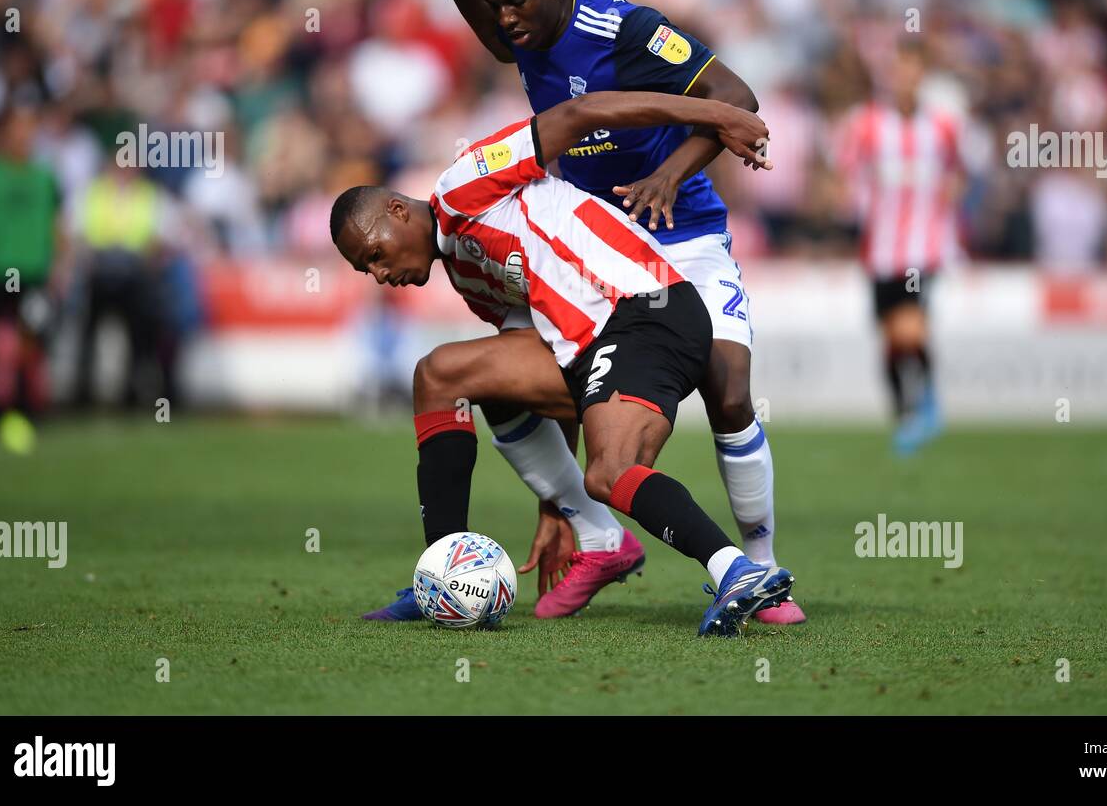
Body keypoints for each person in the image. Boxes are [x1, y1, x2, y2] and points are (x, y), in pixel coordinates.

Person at [422, 0, 804, 623]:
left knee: (728, 389)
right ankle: (596, 532)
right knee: (524, 380)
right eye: (495, 6)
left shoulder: (628, 32)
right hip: (599, 253)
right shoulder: (524, 28)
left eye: (517, 4)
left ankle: (761, 571)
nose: (506, 21)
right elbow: (506, 40)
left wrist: (668, 172)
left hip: (682, 232)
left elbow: (738, 97)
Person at [331, 89, 795, 637]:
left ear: (396, 210)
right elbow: (553, 371)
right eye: (368, 271)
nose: (381, 274)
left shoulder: (462, 187)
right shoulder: (466, 271)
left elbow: (578, 114)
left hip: (645, 312)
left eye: (377, 254)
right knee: (442, 374)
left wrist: (717, 114)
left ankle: (735, 569)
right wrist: (554, 506)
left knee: (610, 471)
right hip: (594, 349)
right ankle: (443, 572)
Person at [834, 43, 965, 455]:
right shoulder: (867, 124)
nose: (904, 77)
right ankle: (906, 416)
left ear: (923, 75)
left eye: (912, 69)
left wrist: (946, 207)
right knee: (891, 338)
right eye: (898, 69)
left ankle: (927, 406)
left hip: (924, 249)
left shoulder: (943, 126)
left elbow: (958, 173)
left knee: (911, 328)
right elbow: (846, 174)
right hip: (880, 249)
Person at [0, 105, 62, 454]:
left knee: (27, 345)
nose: (24, 136)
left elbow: (56, 227)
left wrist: (58, 269)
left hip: (31, 273)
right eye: (18, 129)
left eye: (29, 129)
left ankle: (17, 415)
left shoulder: (45, 176)